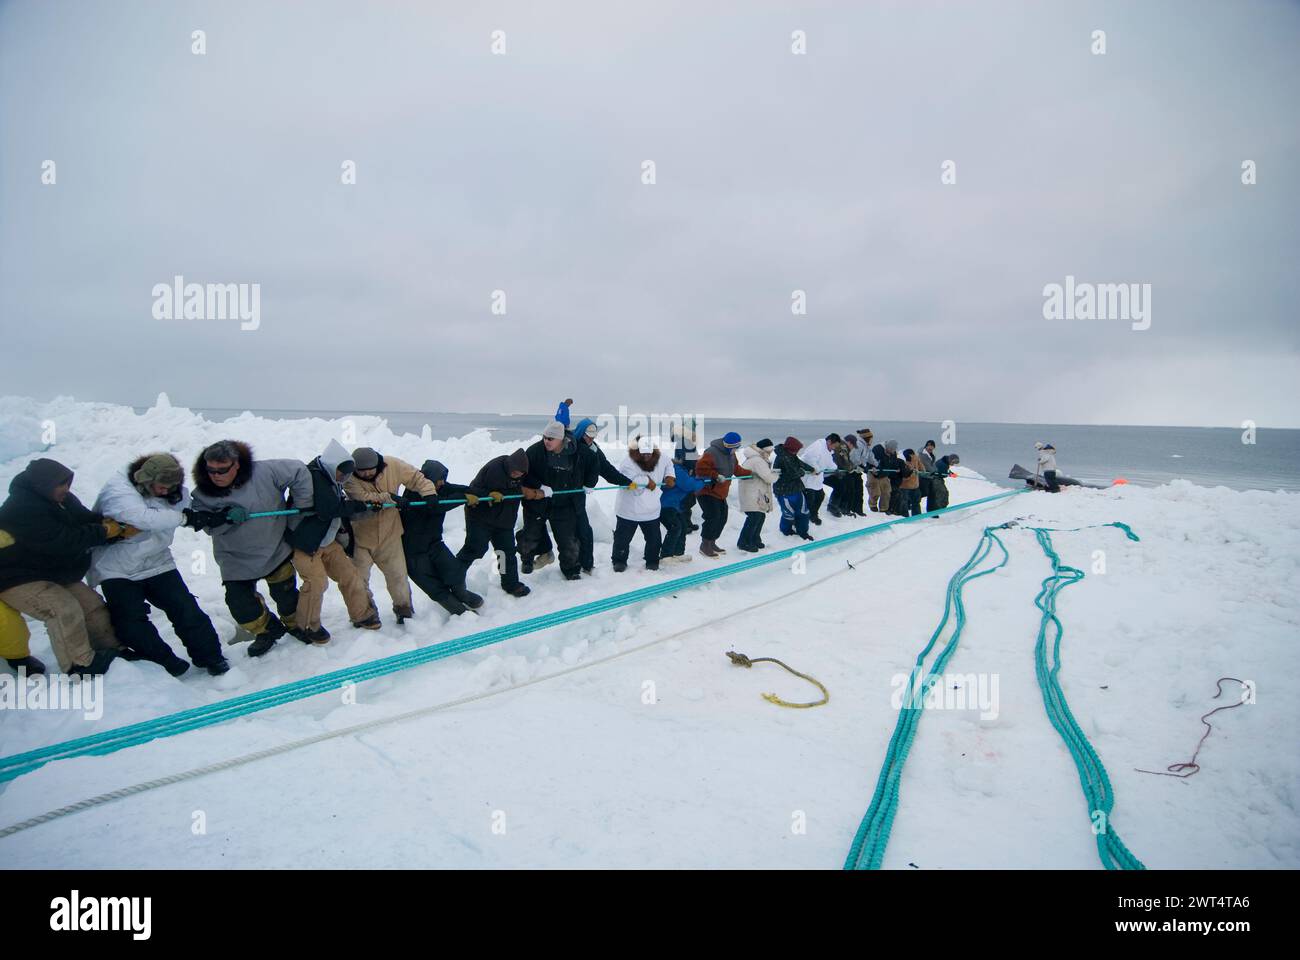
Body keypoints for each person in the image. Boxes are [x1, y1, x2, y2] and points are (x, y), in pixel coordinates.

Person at [88, 453, 228, 677]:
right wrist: (186, 518)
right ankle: (165, 664)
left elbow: (185, 510)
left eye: (168, 488)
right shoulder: (118, 490)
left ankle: (211, 658)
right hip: (116, 567)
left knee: (186, 609)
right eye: (159, 487)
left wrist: (209, 516)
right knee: (130, 623)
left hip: (157, 561)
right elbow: (144, 518)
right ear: (144, 480)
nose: (164, 492)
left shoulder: (176, 492)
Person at [0, 459, 129, 676]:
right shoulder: (20, 508)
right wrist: (105, 532)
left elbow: (84, 520)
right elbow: (61, 540)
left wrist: (118, 529)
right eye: (61, 485)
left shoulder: (61, 498)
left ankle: (111, 650)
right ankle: (80, 664)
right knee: (62, 608)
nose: (66, 489)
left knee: (91, 604)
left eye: (67, 484)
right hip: (16, 576)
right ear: (43, 485)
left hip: (50, 571)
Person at [190, 439, 312, 658]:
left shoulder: (265, 472)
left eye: (222, 470)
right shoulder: (202, 494)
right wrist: (224, 517)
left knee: (286, 596)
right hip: (236, 558)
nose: (215, 475)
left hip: (275, 549)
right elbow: (206, 526)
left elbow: (299, 471)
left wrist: (300, 508)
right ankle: (267, 630)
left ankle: (296, 625)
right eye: (210, 470)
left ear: (236, 464)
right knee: (240, 604)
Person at [286, 440, 381, 643]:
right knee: (316, 583)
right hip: (306, 544)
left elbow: (337, 506)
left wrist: (363, 507)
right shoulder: (314, 476)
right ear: (333, 466)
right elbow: (328, 509)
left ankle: (362, 614)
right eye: (342, 473)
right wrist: (358, 506)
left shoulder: (329, 477)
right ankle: (308, 627)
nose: (344, 478)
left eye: (346, 474)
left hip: (328, 541)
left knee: (350, 575)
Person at [343, 446, 440, 622]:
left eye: (368, 471)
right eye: (361, 472)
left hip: (390, 534)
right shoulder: (349, 477)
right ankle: (365, 614)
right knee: (359, 580)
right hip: (361, 537)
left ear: (378, 465)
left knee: (398, 576)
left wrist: (429, 493)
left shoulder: (392, 465)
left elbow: (415, 477)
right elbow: (361, 497)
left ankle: (403, 609)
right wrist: (391, 498)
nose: (364, 475)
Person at [398, 460, 484, 616]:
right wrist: (463, 497)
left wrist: (477, 493)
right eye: (439, 480)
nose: (442, 483)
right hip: (414, 551)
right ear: (429, 479)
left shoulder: (439, 486)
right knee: (432, 584)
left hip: (434, 543)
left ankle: (462, 594)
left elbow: (458, 488)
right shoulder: (413, 494)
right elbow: (436, 506)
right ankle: (459, 610)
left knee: (454, 570)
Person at [456, 449, 532, 598]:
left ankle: (510, 584)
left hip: (504, 520)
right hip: (480, 517)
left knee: (506, 552)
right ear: (510, 466)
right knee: (474, 549)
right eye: (515, 472)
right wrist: (487, 495)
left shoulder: (523, 475)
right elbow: (472, 490)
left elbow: (519, 491)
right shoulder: (494, 469)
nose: (517, 476)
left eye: (520, 474)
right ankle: (453, 578)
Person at [518, 422, 584, 581]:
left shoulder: (573, 452)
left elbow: (583, 471)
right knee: (530, 535)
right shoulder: (534, 451)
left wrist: (587, 484)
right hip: (537, 501)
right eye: (545, 437)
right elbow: (524, 475)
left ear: (561, 439)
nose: (547, 441)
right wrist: (539, 487)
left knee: (567, 540)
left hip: (563, 503)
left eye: (551, 438)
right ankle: (527, 560)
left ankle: (570, 569)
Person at [571, 417, 635, 575]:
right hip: (559, 497)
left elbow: (606, 469)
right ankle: (569, 568)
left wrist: (626, 482)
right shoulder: (568, 446)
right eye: (588, 435)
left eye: (593, 435)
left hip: (577, 499)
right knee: (567, 535)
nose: (590, 438)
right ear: (581, 432)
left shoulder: (593, 449)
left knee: (584, 532)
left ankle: (586, 566)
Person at [611, 437, 671, 571]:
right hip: (629, 509)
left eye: (649, 453)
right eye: (643, 453)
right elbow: (627, 479)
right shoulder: (628, 461)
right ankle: (619, 560)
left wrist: (669, 476)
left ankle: (652, 560)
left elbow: (669, 465)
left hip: (651, 509)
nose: (646, 456)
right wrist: (646, 481)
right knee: (622, 539)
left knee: (654, 539)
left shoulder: (661, 458)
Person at [693, 432, 747, 558]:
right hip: (707, 491)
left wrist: (752, 473)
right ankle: (705, 545)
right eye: (730, 446)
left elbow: (736, 469)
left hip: (720, 492)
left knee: (722, 518)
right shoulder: (711, 452)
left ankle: (712, 542)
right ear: (724, 443)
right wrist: (716, 476)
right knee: (713, 517)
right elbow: (700, 469)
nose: (732, 449)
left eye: (735, 447)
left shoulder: (732, 455)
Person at [659, 449, 704, 564]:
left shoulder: (683, 469)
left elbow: (690, 481)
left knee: (683, 526)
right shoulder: (676, 470)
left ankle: (678, 553)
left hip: (675, 505)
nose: (695, 461)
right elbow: (688, 485)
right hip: (666, 506)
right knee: (675, 527)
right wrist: (703, 481)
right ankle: (666, 555)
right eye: (693, 458)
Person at [736, 439, 777, 552]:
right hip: (752, 492)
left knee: (759, 516)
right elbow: (768, 477)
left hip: (754, 491)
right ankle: (744, 542)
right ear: (764, 450)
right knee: (754, 517)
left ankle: (754, 539)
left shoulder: (758, 458)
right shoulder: (757, 460)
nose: (770, 453)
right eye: (769, 451)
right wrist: (777, 474)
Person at [774, 437, 816, 541]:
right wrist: (803, 472)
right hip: (784, 491)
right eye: (797, 449)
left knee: (803, 511)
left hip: (796, 488)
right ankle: (786, 531)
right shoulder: (783, 457)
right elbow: (794, 473)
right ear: (791, 448)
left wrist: (811, 469)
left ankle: (803, 531)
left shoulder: (791, 455)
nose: (798, 451)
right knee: (788, 513)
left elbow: (800, 463)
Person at [798, 433, 840, 524]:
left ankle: (813, 514)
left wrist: (835, 468)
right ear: (829, 442)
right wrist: (815, 468)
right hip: (808, 477)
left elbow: (829, 463)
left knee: (820, 496)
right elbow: (809, 458)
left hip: (817, 479)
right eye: (834, 446)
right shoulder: (817, 446)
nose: (834, 448)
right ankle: (806, 516)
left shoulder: (828, 450)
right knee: (810, 498)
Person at [874, 440, 913, 516]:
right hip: (894, 482)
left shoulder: (894, 459)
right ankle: (895, 512)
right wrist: (910, 470)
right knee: (896, 496)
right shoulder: (901, 462)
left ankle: (891, 510)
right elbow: (905, 474)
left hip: (891, 480)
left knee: (892, 496)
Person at [866, 436, 891, 513]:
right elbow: (870, 460)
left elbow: (893, 462)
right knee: (875, 491)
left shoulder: (893, 452)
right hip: (873, 472)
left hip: (884, 473)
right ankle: (872, 505)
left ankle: (884, 508)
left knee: (886, 491)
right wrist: (872, 468)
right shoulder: (877, 449)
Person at [901, 448, 925, 516]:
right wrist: (922, 471)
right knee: (916, 502)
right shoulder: (916, 458)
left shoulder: (904, 460)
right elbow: (922, 468)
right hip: (915, 485)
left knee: (904, 502)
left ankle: (904, 516)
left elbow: (904, 474)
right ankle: (917, 515)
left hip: (905, 485)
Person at [918, 440, 937, 511]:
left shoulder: (932, 455)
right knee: (923, 493)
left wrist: (937, 471)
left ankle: (931, 510)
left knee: (932, 494)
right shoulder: (922, 454)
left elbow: (933, 465)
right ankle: (910, 504)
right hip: (923, 477)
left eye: (932, 446)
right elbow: (926, 465)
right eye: (929, 446)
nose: (930, 448)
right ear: (926, 446)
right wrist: (934, 471)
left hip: (930, 477)